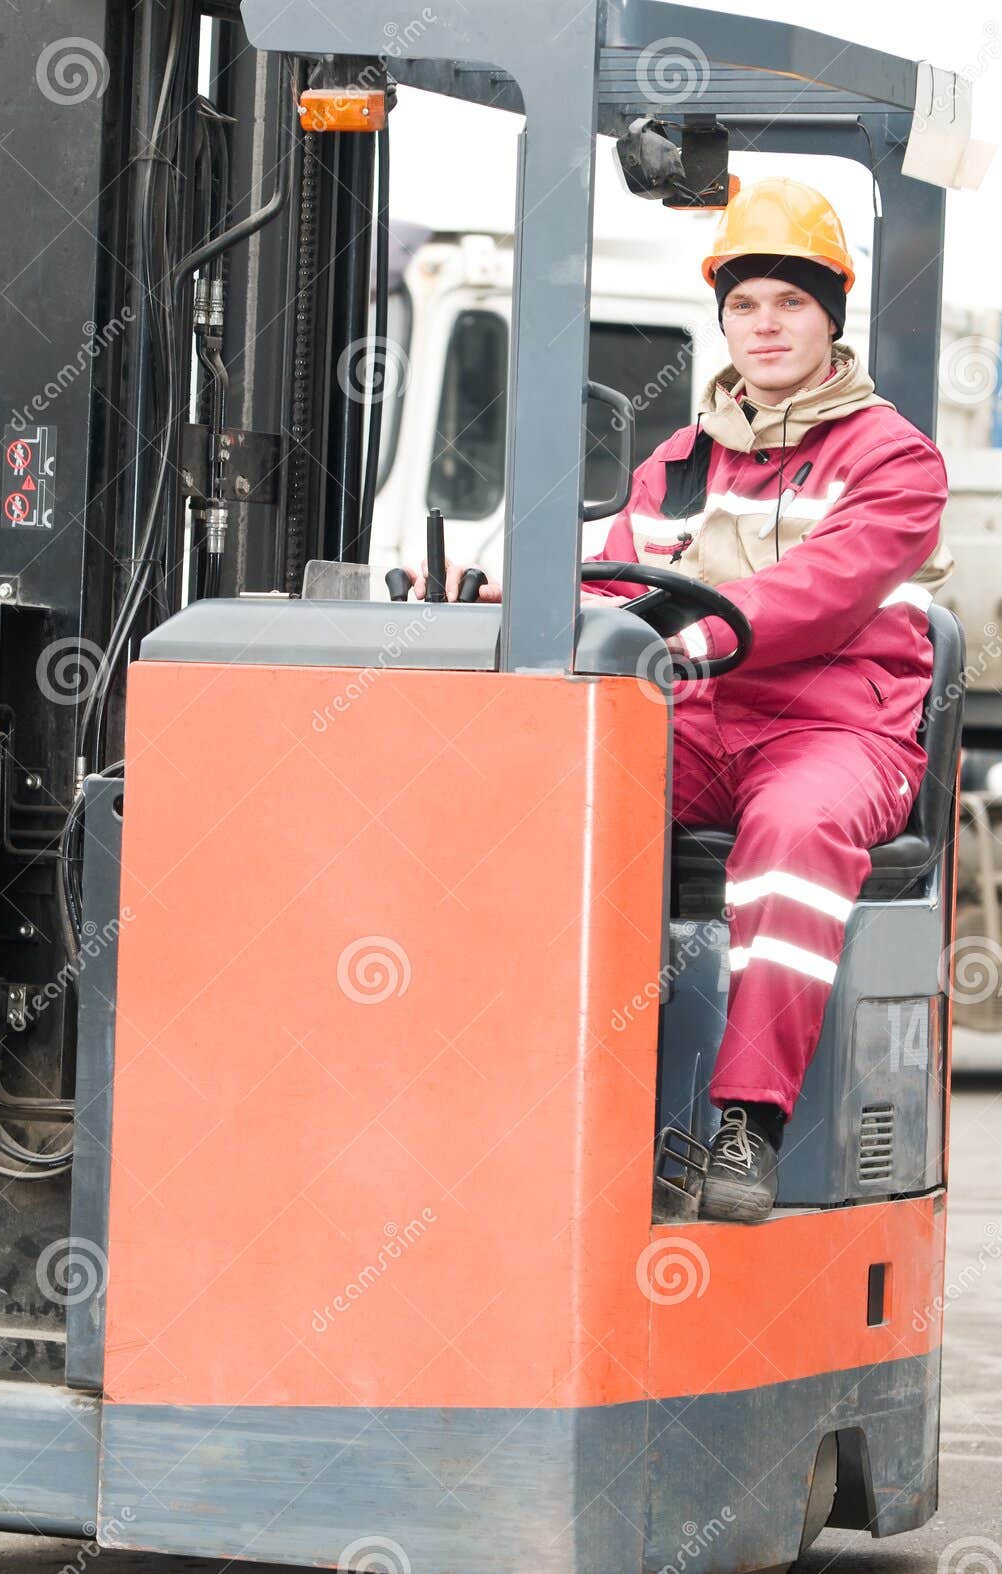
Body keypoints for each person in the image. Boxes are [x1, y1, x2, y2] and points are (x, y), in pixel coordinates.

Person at [403, 176, 953, 1224]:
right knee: (537, 788)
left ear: (831, 312)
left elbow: (819, 598)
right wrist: (494, 597)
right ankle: (505, 1088)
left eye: (789, 302)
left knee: (793, 833)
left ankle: (748, 1124)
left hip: (834, 727)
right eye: (744, 304)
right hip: (698, 721)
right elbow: (616, 582)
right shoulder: (680, 461)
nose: (765, 325)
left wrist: (684, 639)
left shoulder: (892, 457)